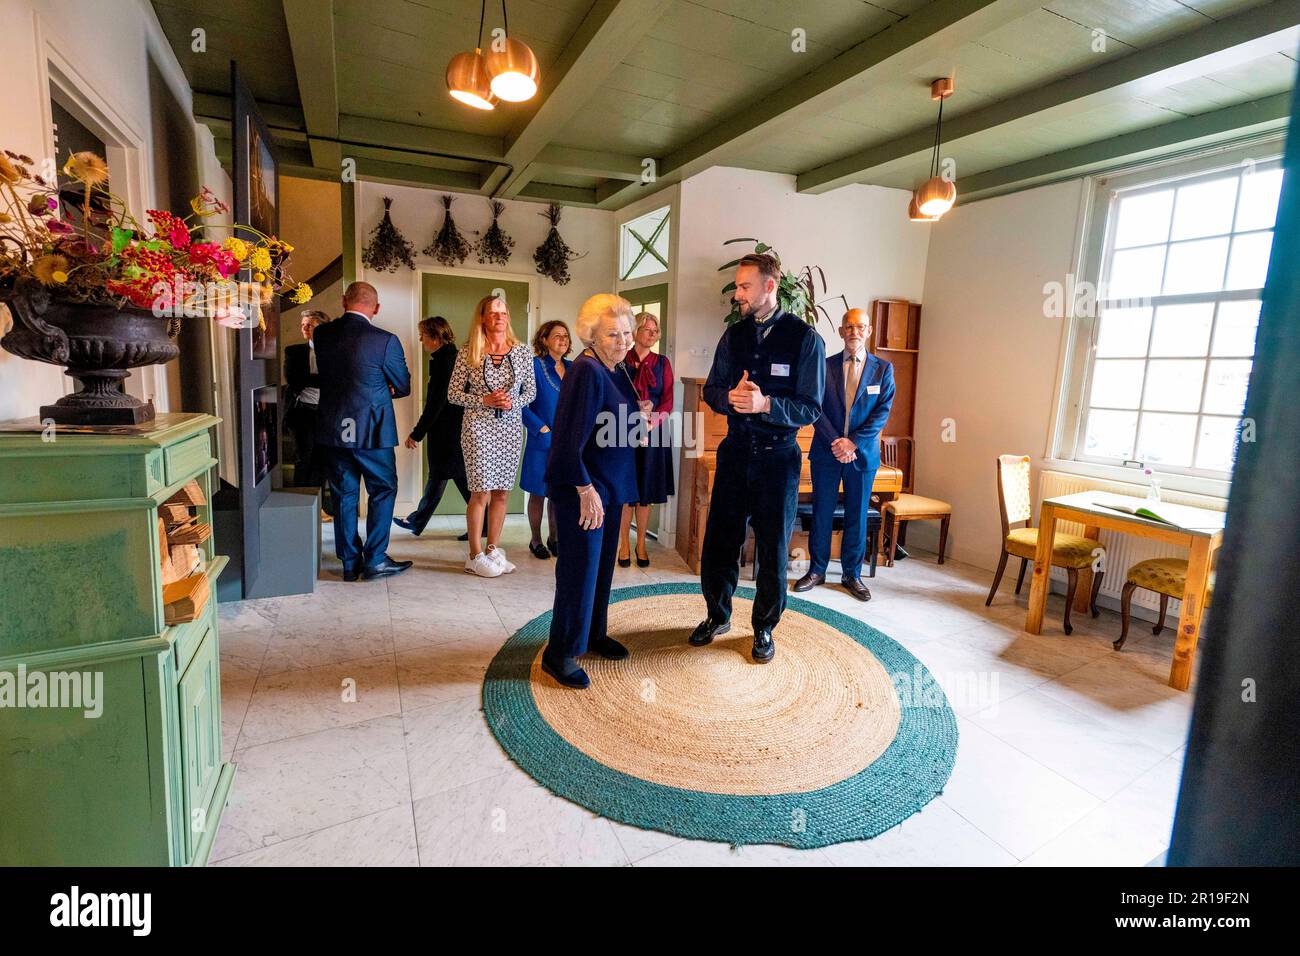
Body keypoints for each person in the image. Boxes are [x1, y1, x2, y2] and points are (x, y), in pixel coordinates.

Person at [689, 253, 825, 664]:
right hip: (733, 454)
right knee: (719, 543)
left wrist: (766, 403)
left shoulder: (806, 339)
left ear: (771, 285)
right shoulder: (732, 337)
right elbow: (710, 390)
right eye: (737, 287)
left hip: (777, 460)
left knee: (773, 546)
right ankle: (717, 615)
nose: (738, 295)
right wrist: (727, 398)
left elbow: (810, 407)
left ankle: (764, 626)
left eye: (745, 287)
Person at [541, 294, 639, 689]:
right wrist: (584, 488)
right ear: (592, 337)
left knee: (600, 570)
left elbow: (608, 425)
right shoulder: (586, 371)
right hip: (585, 488)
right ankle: (559, 652)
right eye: (613, 334)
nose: (623, 341)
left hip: (610, 487)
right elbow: (567, 440)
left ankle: (594, 634)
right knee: (578, 571)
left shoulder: (615, 369)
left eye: (627, 333)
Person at [313, 281, 413, 581]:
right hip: (373, 429)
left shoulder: (322, 334)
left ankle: (349, 562)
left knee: (344, 494)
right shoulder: (384, 340)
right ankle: (376, 560)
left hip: (333, 427)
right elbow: (403, 385)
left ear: (344, 301)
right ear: (377, 308)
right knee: (382, 490)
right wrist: (383, 386)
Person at [795, 308, 895, 601]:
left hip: (862, 456)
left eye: (860, 327)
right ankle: (817, 570)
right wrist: (837, 442)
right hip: (826, 453)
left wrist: (852, 443)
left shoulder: (883, 369)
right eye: (849, 327)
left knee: (857, 514)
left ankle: (852, 574)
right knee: (822, 512)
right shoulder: (824, 366)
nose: (854, 332)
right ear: (841, 331)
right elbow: (815, 408)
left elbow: (881, 413)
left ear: (869, 331)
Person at [447, 294, 536, 578]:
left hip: (510, 428)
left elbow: (530, 391)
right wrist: (483, 400)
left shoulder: (523, 352)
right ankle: (473, 554)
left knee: (502, 492)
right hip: (477, 426)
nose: (500, 316)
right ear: (483, 317)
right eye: (493, 312)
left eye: (504, 312)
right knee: (481, 491)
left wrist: (514, 403)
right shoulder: (468, 351)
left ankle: (492, 549)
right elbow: (452, 394)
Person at [394, 316, 473, 537]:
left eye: (423, 336)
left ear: (436, 337)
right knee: (454, 475)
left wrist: (417, 433)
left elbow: (436, 403)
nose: (421, 340)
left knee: (443, 475)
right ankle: (482, 523)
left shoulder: (445, 362)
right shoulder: (450, 358)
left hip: (447, 430)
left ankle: (417, 521)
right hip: (452, 429)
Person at [618, 312, 675, 568]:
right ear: (636, 331)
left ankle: (641, 543)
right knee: (625, 492)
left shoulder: (662, 363)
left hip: (654, 432)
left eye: (655, 331)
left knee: (645, 493)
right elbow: (613, 395)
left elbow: (669, 399)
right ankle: (623, 544)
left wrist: (652, 422)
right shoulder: (620, 360)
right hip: (621, 432)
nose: (652, 334)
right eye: (647, 330)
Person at [521, 320, 572, 560]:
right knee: (538, 493)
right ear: (544, 339)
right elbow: (519, 404)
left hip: (566, 443)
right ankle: (535, 540)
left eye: (566, 336)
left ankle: (555, 538)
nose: (563, 340)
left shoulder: (574, 368)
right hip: (541, 442)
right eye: (557, 335)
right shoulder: (533, 366)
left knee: (558, 493)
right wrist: (540, 428)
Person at [284, 309, 331, 520]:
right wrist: (319, 379)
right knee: (304, 459)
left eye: (310, 325)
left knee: (321, 461)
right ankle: (300, 507)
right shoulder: (293, 351)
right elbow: (295, 380)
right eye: (303, 324)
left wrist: (311, 378)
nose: (305, 328)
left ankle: (318, 508)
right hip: (302, 412)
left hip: (326, 413)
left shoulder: (334, 352)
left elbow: (337, 380)